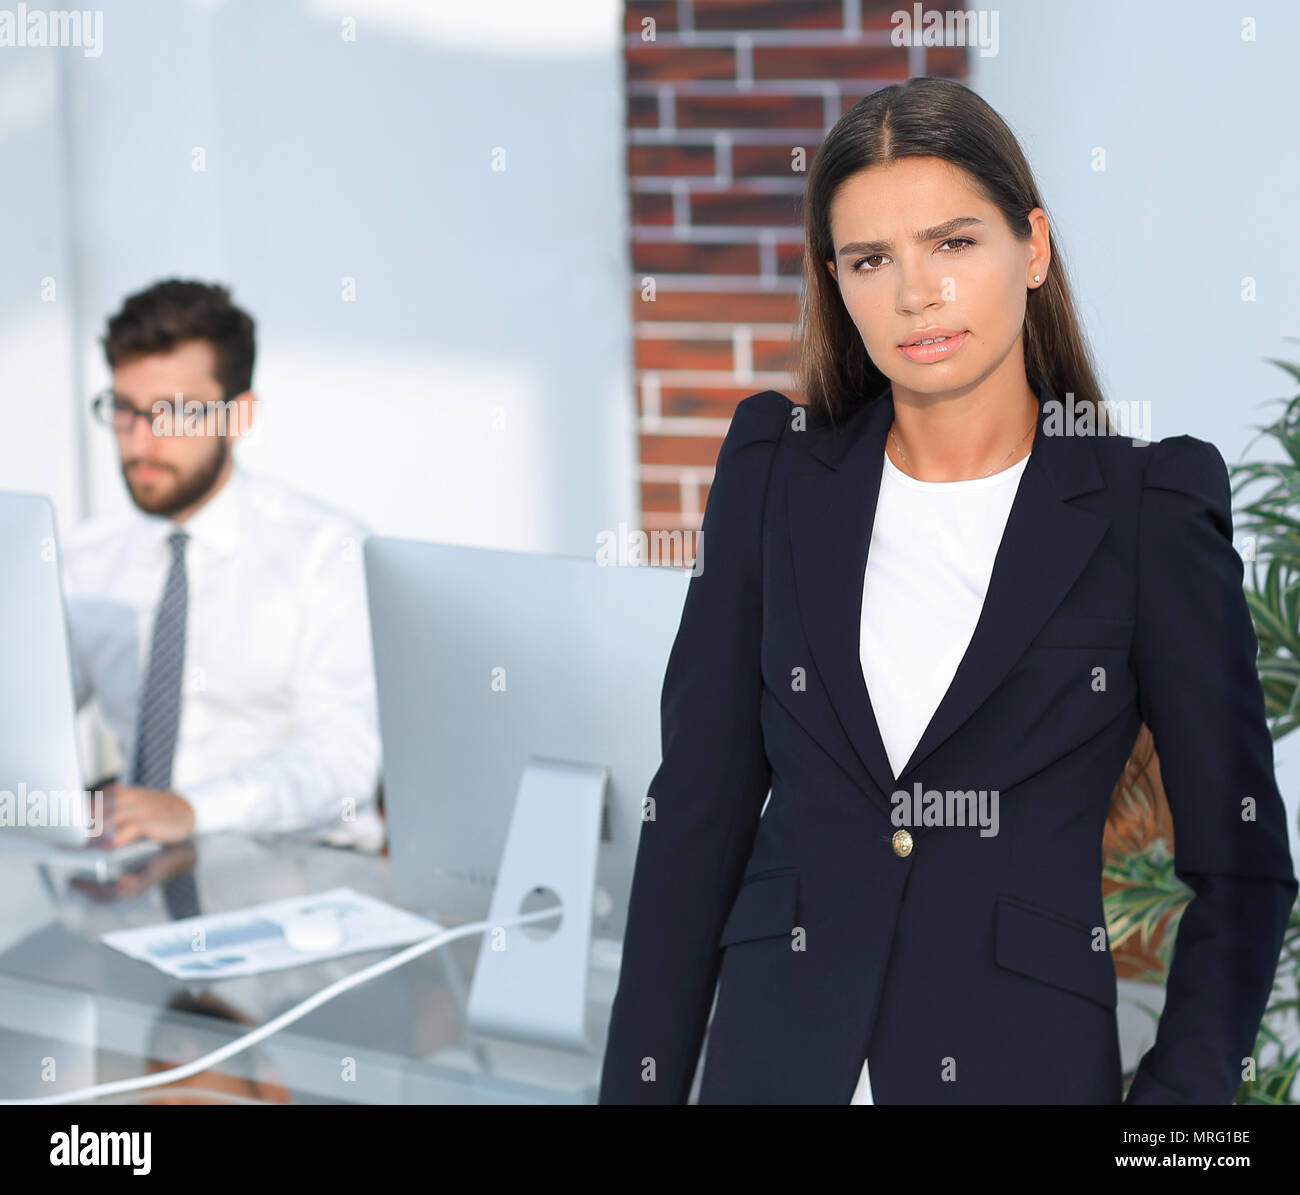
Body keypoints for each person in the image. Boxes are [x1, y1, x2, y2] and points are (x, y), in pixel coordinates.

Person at [599, 77, 1298, 1105]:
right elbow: (692, 827)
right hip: (775, 1067)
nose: (913, 294)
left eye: (953, 243)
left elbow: (1242, 875)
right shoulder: (773, 475)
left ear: (1033, 248)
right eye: (870, 259)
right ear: (835, 280)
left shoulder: (1145, 510)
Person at [62, 279, 383, 851]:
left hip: (303, 868)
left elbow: (344, 762)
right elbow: (27, 714)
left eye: (174, 414)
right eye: (125, 410)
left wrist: (190, 811)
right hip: (139, 867)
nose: (140, 443)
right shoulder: (90, 557)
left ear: (237, 417)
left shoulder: (325, 553)